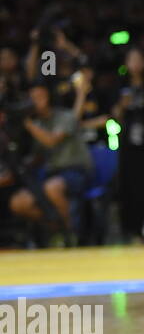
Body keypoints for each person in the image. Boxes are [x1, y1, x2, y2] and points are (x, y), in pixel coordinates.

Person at [10, 80, 92, 245]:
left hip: (76, 171)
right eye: (32, 97)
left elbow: (51, 140)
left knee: (52, 188)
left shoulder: (65, 117)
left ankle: (72, 234)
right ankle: (56, 226)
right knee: (19, 203)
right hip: (50, 174)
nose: (37, 101)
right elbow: (38, 156)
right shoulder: (38, 123)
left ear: (50, 97)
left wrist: (28, 124)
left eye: (40, 96)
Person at [112, 47, 144, 241]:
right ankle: (131, 228)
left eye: (138, 59)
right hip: (127, 141)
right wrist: (122, 106)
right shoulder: (121, 85)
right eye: (131, 59)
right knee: (128, 183)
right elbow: (114, 115)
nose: (135, 63)